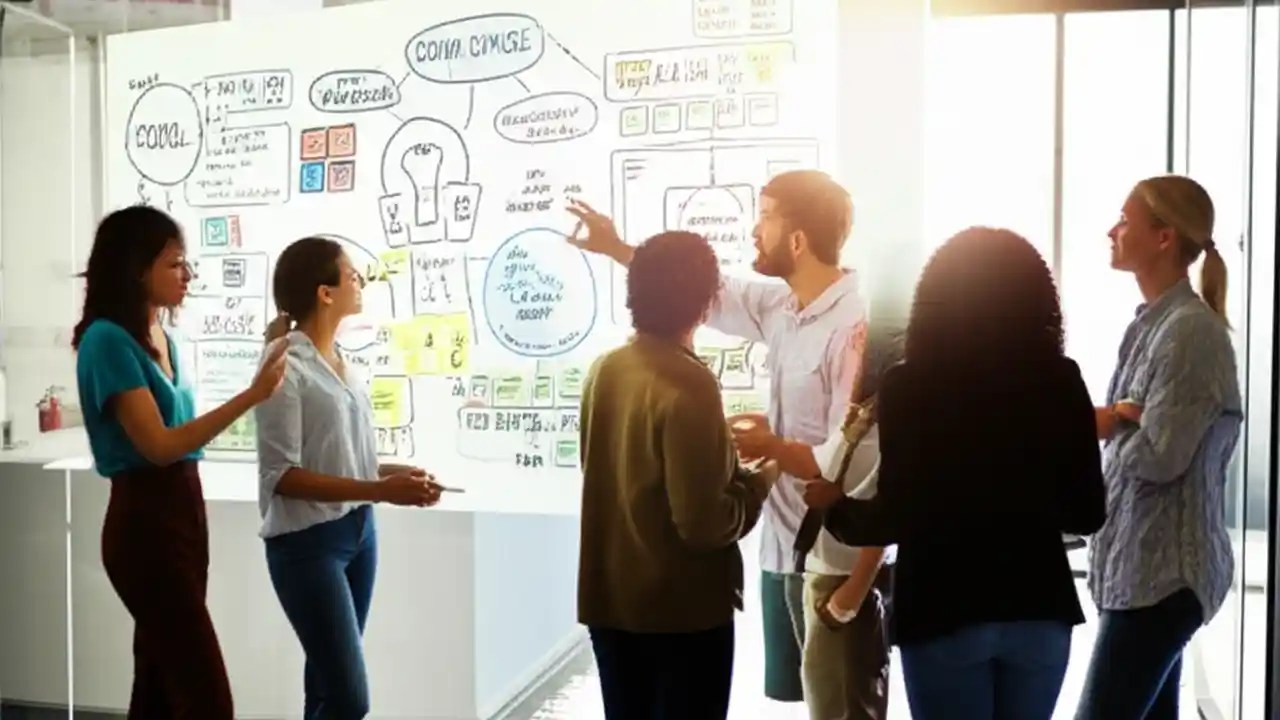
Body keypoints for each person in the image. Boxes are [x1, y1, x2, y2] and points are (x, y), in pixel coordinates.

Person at [568, 169, 872, 710]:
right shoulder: (780, 306)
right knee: (802, 693)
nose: (755, 232)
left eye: (765, 217)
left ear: (798, 239)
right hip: (770, 550)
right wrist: (616, 247)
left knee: (837, 700)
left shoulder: (854, 325)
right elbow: (704, 287)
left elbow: (850, 457)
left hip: (827, 554)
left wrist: (773, 455)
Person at [820, 227, 1107, 720]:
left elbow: (896, 515)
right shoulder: (1061, 380)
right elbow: (1088, 512)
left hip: (941, 607)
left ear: (933, 301)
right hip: (1039, 608)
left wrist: (833, 509)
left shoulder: (909, 386)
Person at [71, 205, 289, 719]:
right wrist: (253, 395)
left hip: (184, 516)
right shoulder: (107, 340)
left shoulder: (167, 339)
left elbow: (185, 437)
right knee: (207, 698)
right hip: (144, 524)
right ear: (135, 268)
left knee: (158, 684)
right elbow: (161, 446)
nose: (187, 275)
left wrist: (268, 354)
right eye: (174, 263)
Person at [576, 230, 777, 720]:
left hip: (612, 603)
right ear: (706, 303)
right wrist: (762, 478)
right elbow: (705, 524)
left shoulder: (606, 368)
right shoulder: (690, 382)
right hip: (681, 613)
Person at [255, 236, 445, 720]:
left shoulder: (343, 364)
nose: (360, 282)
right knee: (348, 699)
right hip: (307, 543)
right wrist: (381, 490)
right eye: (353, 274)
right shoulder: (284, 365)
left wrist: (399, 475)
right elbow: (283, 476)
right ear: (325, 292)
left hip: (358, 533)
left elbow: (343, 458)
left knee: (324, 686)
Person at [1075, 176, 1241, 720]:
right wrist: (1122, 421)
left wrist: (1117, 427)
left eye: (1124, 220)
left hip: (1163, 583)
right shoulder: (1152, 326)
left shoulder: (1190, 333)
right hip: (1138, 577)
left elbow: (1159, 456)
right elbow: (1137, 437)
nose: (1111, 231)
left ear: (1164, 237)